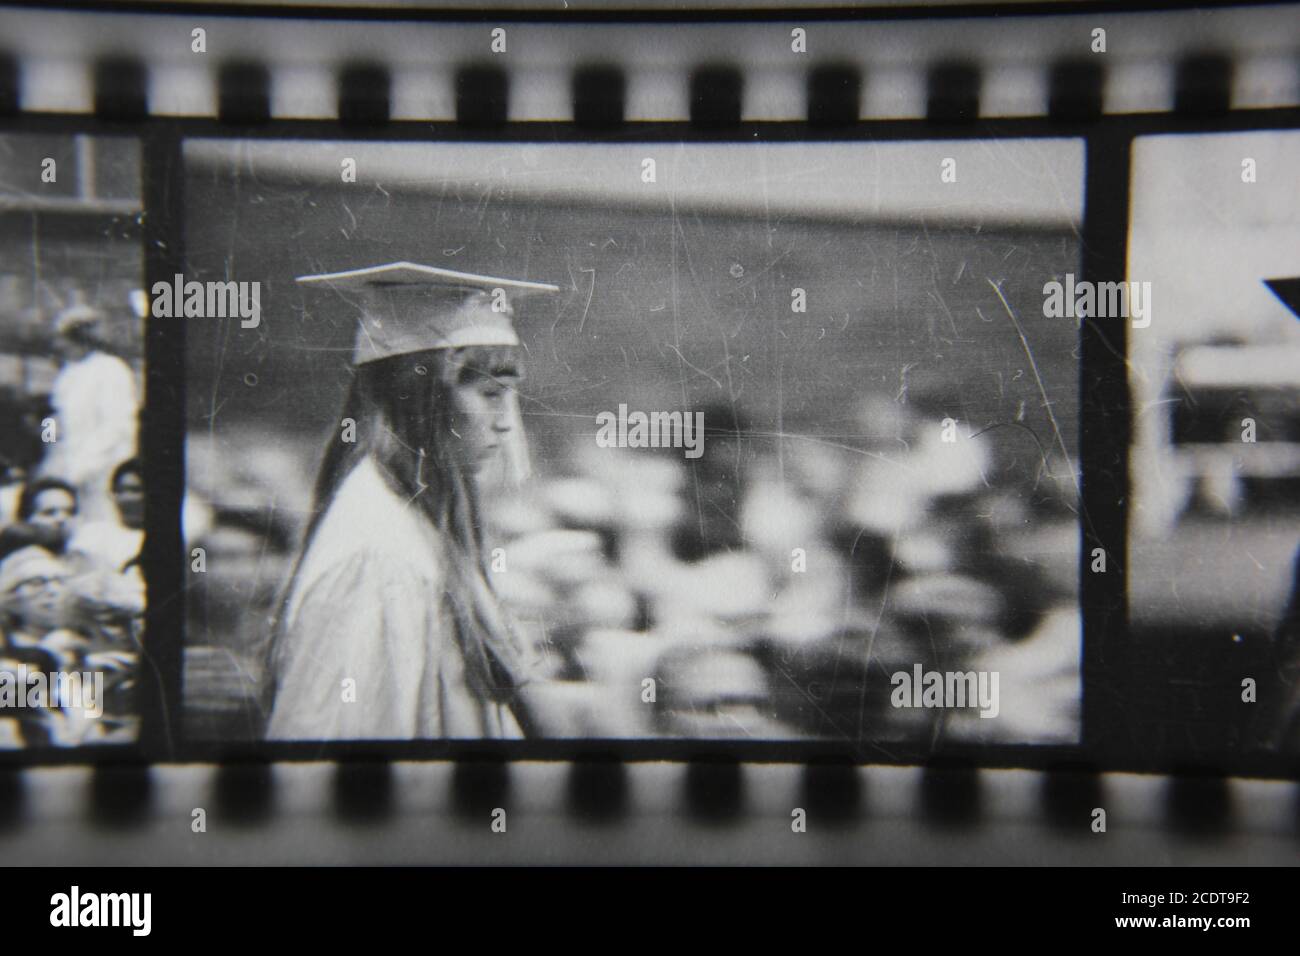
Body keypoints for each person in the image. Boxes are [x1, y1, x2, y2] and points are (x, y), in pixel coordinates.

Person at [264, 261, 572, 741]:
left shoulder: (417, 522)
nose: (506, 422)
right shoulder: (378, 556)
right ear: (420, 397)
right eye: (490, 393)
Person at [40, 304, 139, 524]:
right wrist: (49, 449)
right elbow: (52, 417)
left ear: (79, 338)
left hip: (102, 469)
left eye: (62, 338)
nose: (57, 345)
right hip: (69, 467)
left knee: (101, 520)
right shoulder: (67, 374)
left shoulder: (111, 370)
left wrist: (84, 465)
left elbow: (117, 426)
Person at [0, 478, 79, 560]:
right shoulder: (23, 560)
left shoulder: (82, 558)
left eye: (70, 512)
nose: (62, 519)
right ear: (25, 521)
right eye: (49, 513)